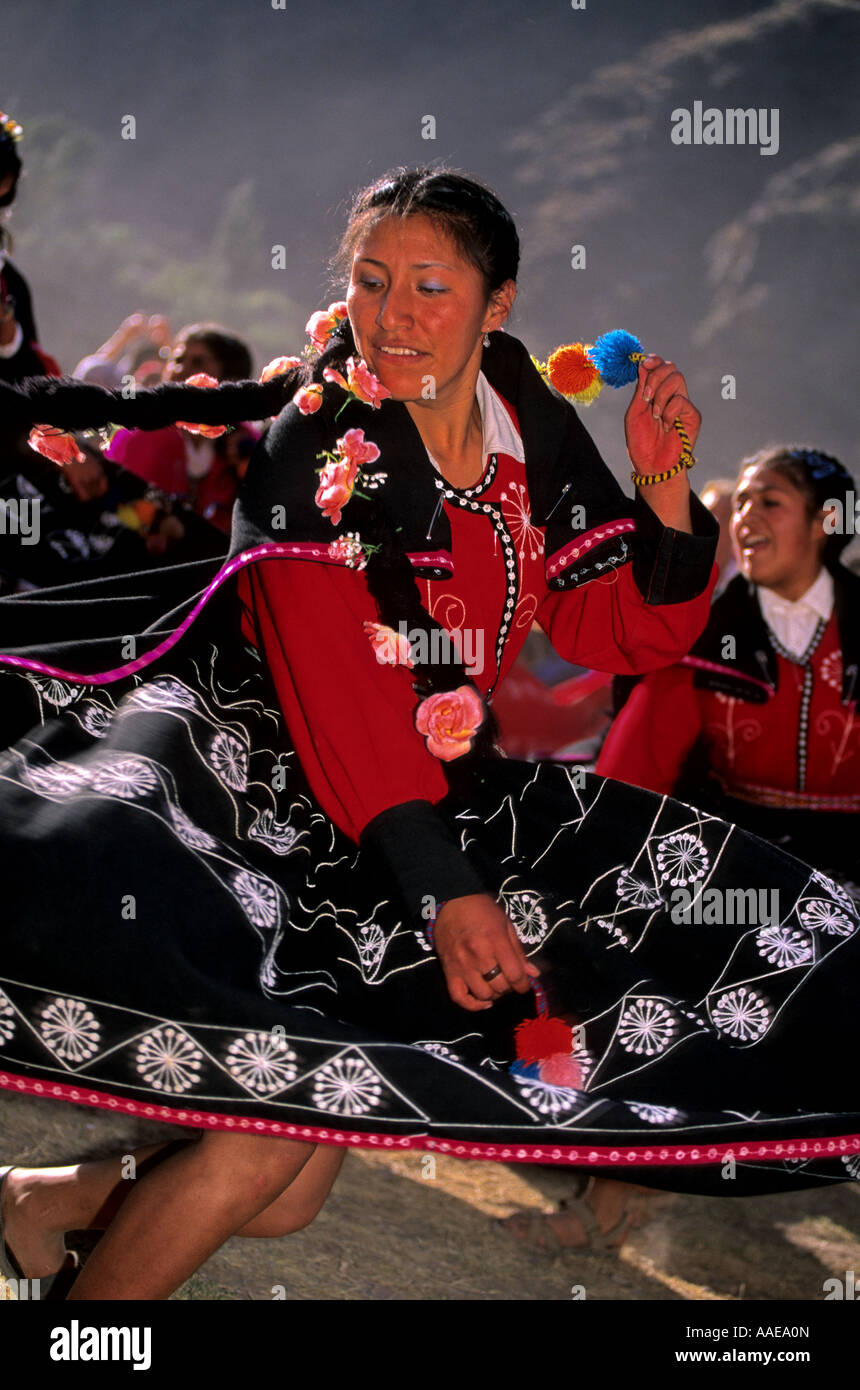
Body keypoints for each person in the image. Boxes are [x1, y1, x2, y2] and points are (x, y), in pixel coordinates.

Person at [0, 167, 858, 1299]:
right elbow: (336, 688)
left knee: (289, 1189)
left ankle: (30, 1205)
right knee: (261, 1145)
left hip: (412, 795)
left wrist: (659, 486)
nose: (391, 315)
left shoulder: (527, 421)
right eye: (367, 281)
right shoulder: (319, 441)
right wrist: (441, 884)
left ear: (495, 305)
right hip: (263, 785)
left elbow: (615, 631)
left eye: (429, 287)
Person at [597, 445, 860, 887]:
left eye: (770, 502)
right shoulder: (700, 647)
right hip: (735, 868)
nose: (745, 519)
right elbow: (633, 779)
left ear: (825, 522)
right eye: (741, 504)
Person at [105, 322, 256, 533]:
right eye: (177, 360)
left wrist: (243, 467)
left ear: (230, 378)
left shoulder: (242, 442)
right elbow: (121, 512)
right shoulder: (142, 435)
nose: (179, 370)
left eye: (197, 362)